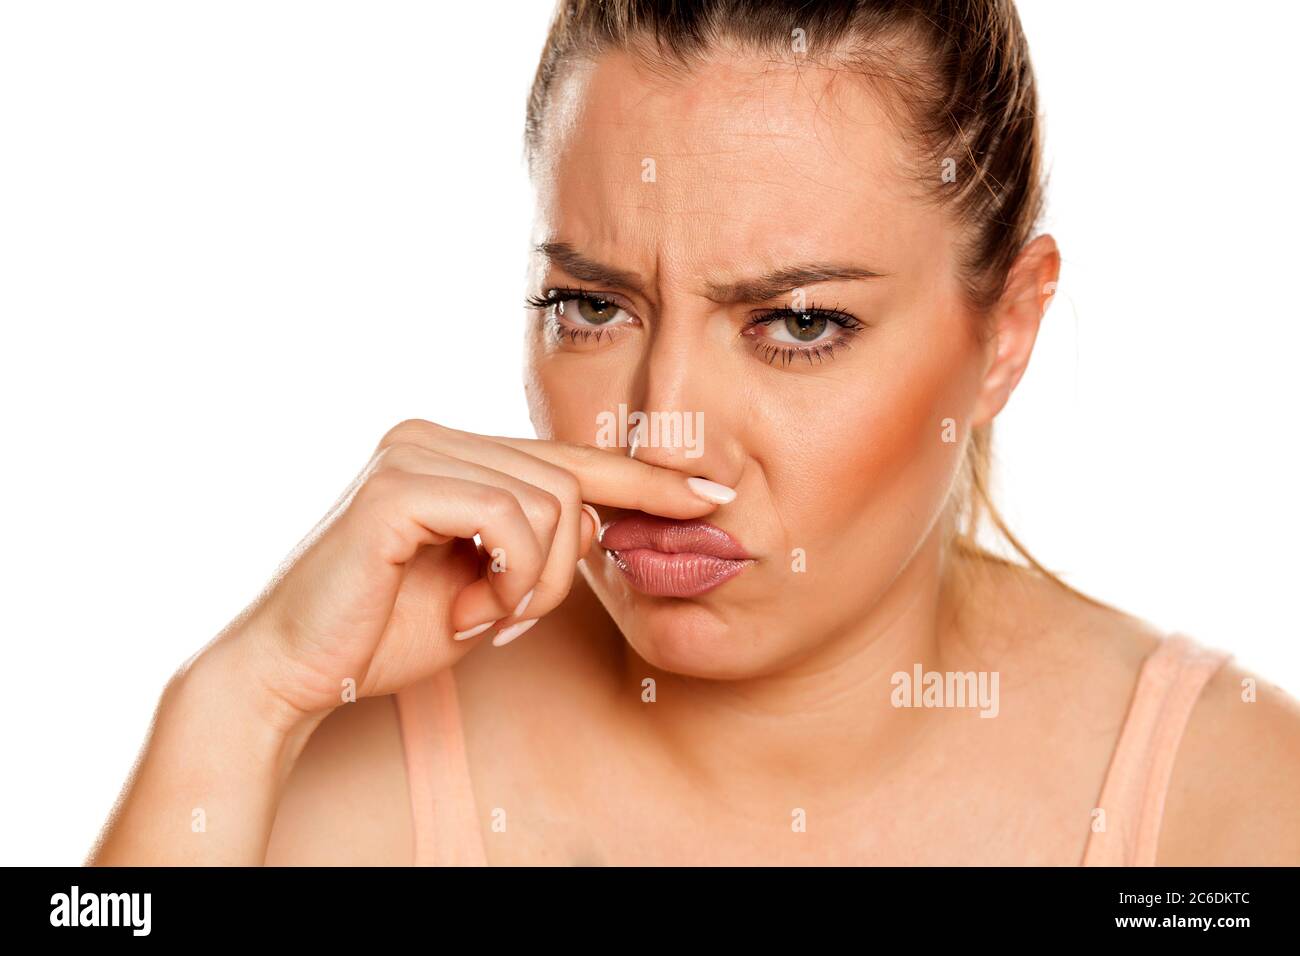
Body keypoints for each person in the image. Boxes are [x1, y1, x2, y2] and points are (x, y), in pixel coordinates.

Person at [89, 0, 1300, 866]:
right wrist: (235, 699)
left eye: (799, 321)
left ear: (1006, 334)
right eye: (592, 305)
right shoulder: (354, 776)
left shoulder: (1228, 801)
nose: (663, 439)